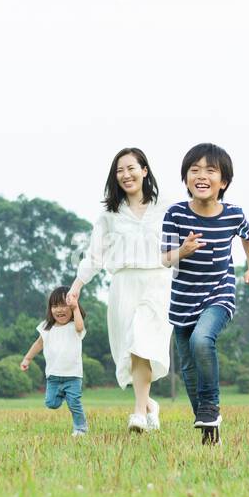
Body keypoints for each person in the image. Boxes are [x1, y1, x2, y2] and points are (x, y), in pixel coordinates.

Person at [161, 143, 249, 444]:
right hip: (182, 302)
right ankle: (208, 431)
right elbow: (165, 258)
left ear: (224, 182)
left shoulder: (233, 214)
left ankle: (210, 406)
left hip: (218, 295)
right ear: (186, 179)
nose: (201, 175)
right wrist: (184, 250)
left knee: (201, 340)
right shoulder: (175, 214)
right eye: (194, 170)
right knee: (189, 370)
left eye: (210, 170)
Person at [67, 148, 171, 433]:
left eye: (131, 168)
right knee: (130, 350)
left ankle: (138, 413)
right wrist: (76, 286)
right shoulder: (109, 216)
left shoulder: (167, 208)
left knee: (143, 341)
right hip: (123, 285)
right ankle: (149, 404)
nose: (126, 175)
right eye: (119, 171)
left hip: (157, 283)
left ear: (145, 171)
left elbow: (176, 251)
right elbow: (94, 257)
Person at [21, 286, 88, 436]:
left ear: (71, 307)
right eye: (55, 306)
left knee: (74, 404)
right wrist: (27, 358)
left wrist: (75, 307)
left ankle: (80, 428)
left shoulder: (74, 327)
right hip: (53, 376)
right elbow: (39, 343)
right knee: (51, 404)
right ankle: (63, 394)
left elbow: (80, 325)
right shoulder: (47, 327)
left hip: (73, 375)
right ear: (50, 309)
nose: (59, 310)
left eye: (64, 305)